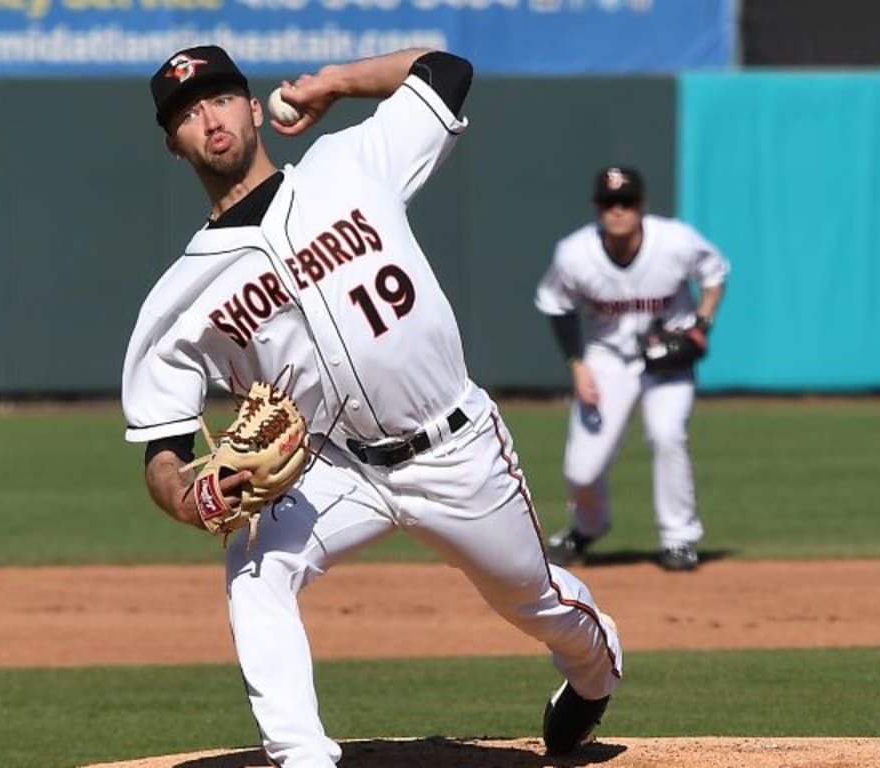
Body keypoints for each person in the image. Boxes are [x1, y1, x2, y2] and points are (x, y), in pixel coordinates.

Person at [121, 46, 622, 766]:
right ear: (175, 146)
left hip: (454, 447)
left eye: (220, 98)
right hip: (329, 465)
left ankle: (594, 671)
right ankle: (302, 756)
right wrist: (188, 498)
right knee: (256, 567)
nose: (209, 118)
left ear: (253, 108)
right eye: (187, 115)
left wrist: (333, 83)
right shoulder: (180, 299)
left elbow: (445, 71)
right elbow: (161, 454)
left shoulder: (348, 165)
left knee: (530, 598)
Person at [535, 166, 729, 572]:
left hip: (668, 358)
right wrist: (577, 365)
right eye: (609, 203)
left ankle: (679, 540)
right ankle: (588, 526)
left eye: (626, 202)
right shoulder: (574, 253)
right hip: (607, 360)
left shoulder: (675, 241)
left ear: (640, 205)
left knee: (667, 435)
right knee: (582, 468)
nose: (617, 210)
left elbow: (715, 273)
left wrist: (703, 321)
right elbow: (555, 304)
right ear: (596, 208)